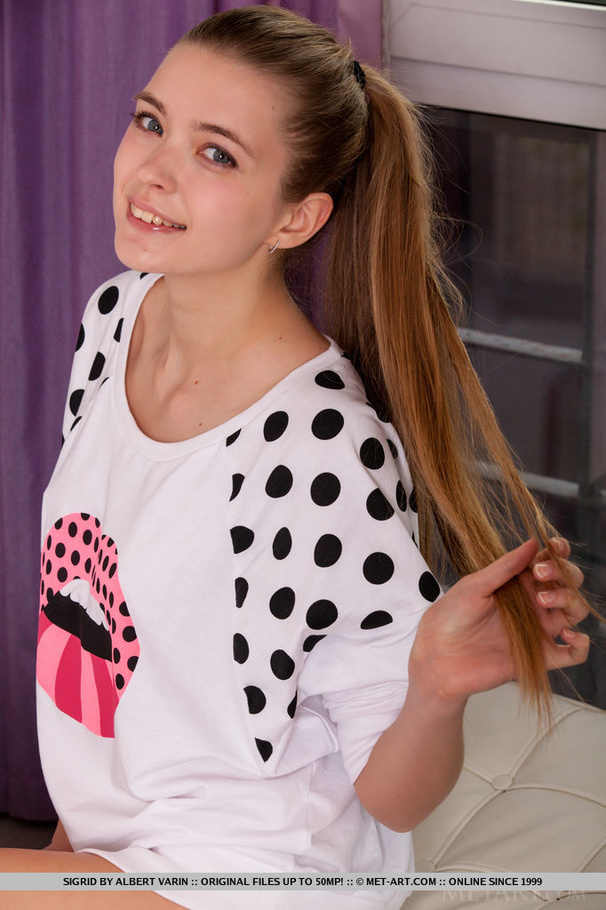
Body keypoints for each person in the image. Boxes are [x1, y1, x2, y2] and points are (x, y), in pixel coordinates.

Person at [0, 7, 589, 910]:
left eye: (217, 153)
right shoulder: (119, 318)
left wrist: (433, 689)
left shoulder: (319, 451)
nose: (152, 171)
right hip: (125, 844)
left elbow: (393, 799)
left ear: (296, 217)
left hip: (256, 875)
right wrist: (68, 841)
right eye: (151, 121)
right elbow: (110, 636)